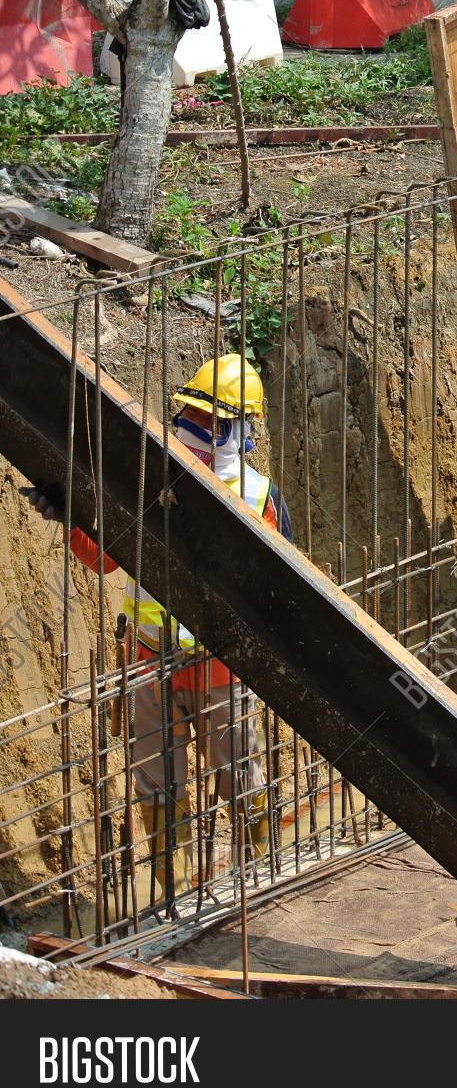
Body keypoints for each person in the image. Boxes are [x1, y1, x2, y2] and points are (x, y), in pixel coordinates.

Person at [24, 355, 293, 903]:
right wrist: (73, 515)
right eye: (191, 413)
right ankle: (174, 899)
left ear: (232, 427)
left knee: (243, 781)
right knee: (158, 791)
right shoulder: (146, 479)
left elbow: (275, 588)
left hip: (221, 666)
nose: (194, 428)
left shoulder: (257, 494)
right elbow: (101, 559)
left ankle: (261, 887)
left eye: (207, 418)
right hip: (150, 662)